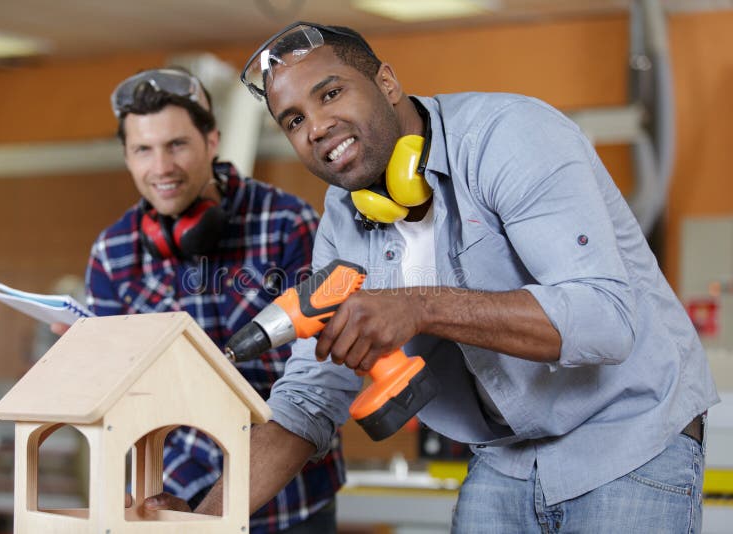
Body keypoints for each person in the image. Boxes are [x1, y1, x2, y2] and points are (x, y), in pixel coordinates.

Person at [143, 24, 719, 532]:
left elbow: (605, 320)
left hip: (628, 440)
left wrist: (418, 307)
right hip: (504, 457)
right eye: (294, 120)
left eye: (331, 92)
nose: (316, 126)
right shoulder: (345, 219)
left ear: (387, 83)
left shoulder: (506, 138)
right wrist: (201, 523)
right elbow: (309, 398)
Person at [81, 67, 344, 533]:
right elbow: (116, 398)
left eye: (177, 145)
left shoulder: (288, 222)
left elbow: (322, 368)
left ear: (212, 141)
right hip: (175, 499)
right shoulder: (112, 253)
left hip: (290, 501)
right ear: (126, 157)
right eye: (143, 149)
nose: (161, 167)